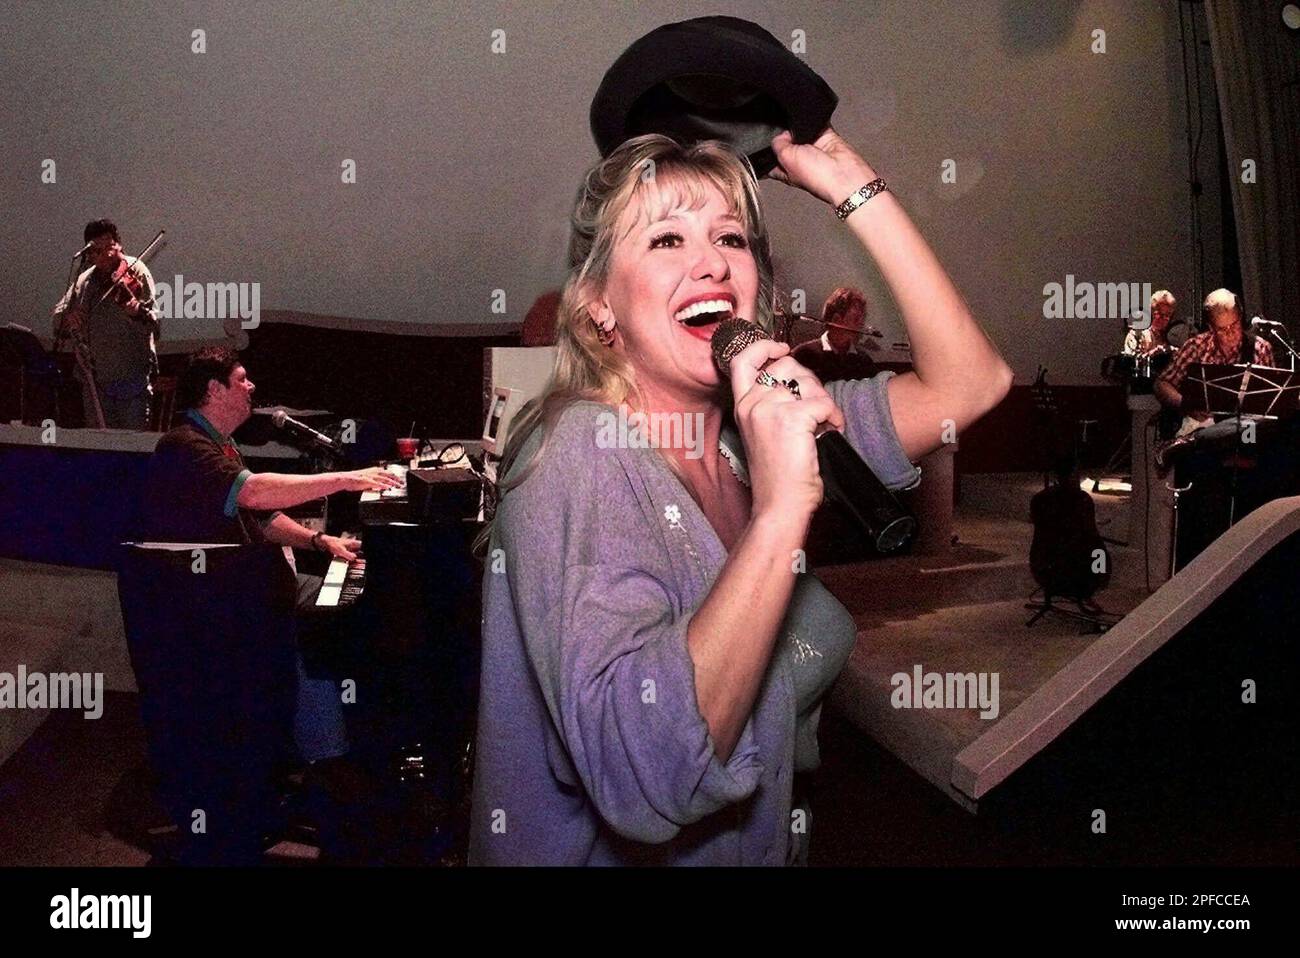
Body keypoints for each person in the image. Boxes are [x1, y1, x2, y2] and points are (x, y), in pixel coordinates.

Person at [469, 129, 1011, 866]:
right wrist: (781, 511)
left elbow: (971, 386)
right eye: (665, 240)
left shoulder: (745, 440)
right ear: (600, 307)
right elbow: (649, 775)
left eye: (731, 237)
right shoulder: (582, 457)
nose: (712, 262)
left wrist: (855, 188)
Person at [138, 346, 403, 858]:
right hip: (220, 611)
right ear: (214, 390)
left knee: (334, 613)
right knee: (328, 622)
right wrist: (348, 479)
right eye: (242, 379)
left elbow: (254, 517)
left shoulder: (219, 445)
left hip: (246, 593)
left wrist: (319, 543)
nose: (252, 387)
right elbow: (255, 495)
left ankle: (333, 754)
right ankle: (331, 760)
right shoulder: (184, 446)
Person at [51, 220, 160, 429]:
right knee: (99, 447)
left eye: (110, 248)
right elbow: (58, 315)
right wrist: (67, 318)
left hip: (131, 378)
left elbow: (154, 321)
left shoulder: (136, 270)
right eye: (97, 251)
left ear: (119, 245)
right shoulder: (85, 279)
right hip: (95, 382)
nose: (106, 255)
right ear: (89, 254)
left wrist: (137, 312)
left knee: (131, 448)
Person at [1155, 288, 1274, 422]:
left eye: (1234, 325)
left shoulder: (1260, 348)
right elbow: (1162, 384)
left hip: (1247, 429)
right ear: (1211, 328)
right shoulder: (1196, 346)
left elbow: (1270, 400)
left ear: (1240, 317)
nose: (1231, 333)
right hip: (1206, 428)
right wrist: (1186, 405)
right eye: (1222, 329)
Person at [791, 285, 878, 382]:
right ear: (836, 319)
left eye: (863, 319)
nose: (861, 325)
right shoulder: (804, 354)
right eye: (856, 318)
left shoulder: (864, 361)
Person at [1122, 289, 1175, 357]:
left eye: (1167, 315)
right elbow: (1131, 362)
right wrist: (1152, 354)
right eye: (1159, 313)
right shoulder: (1136, 335)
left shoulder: (1173, 338)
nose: (1163, 318)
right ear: (1151, 312)